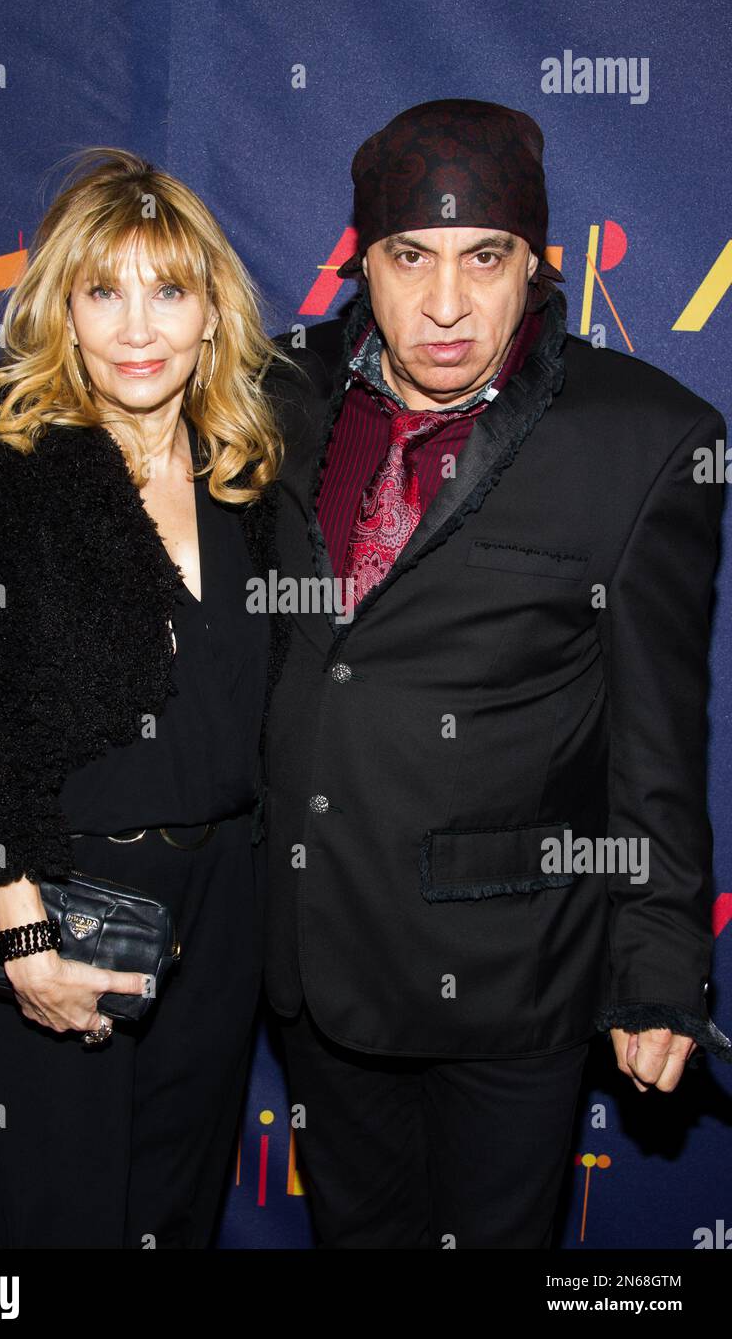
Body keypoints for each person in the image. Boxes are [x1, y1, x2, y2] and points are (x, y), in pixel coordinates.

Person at [260, 98, 732, 1249]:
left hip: (511, 966)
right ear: (361, 262)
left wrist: (662, 963)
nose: (446, 303)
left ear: (537, 260)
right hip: (316, 953)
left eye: (486, 258)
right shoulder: (275, 395)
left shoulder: (645, 437)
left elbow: (660, 734)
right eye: (408, 257)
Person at [0, 146, 293, 1249]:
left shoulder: (247, 468)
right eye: (103, 289)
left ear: (212, 312)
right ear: (63, 309)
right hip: (65, 892)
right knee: (59, 1228)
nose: (137, 326)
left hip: (227, 904)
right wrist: (19, 926)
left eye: (169, 290)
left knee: (175, 1219)